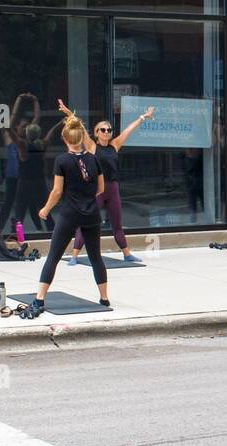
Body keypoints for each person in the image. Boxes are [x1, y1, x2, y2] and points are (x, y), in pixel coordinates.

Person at [25, 103, 110, 318]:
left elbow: (56, 192)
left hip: (69, 214)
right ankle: (104, 297)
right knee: (95, 257)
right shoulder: (93, 159)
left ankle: (39, 298)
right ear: (81, 138)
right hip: (91, 214)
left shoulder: (62, 161)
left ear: (65, 139)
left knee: (53, 256)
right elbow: (101, 189)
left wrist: (44, 209)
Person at [68, 105, 155, 265]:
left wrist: (143, 117)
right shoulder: (92, 146)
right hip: (97, 189)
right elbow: (80, 128)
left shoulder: (114, 144)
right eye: (103, 130)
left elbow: (129, 130)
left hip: (113, 188)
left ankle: (127, 254)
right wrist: (69, 114)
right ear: (96, 133)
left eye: (108, 129)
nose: (106, 132)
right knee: (86, 221)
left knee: (117, 223)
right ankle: (74, 255)